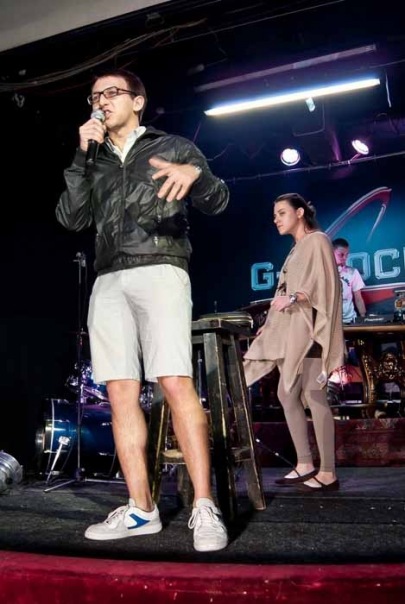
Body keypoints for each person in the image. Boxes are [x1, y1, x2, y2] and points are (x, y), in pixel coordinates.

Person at [56, 68, 229, 552]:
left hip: (161, 266)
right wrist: (81, 155)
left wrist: (197, 176)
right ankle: (140, 509)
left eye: (111, 92)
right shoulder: (93, 158)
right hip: (109, 276)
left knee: (174, 380)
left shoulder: (172, 146)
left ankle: (203, 505)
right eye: (95, 95)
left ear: (137, 101)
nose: (101, 101)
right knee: (119, 391)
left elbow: (219, 201)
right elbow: (71, 217)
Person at [244, 193, 345, 490]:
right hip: (293, 331)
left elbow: (325, 286)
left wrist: (294, 298)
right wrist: (270, 327)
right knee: (287, 394)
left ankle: (328, 473)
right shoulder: (296, 249)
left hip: (312, 330)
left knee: (314, 395)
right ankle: (305, 464)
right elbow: (285, 292)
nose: (276, 219)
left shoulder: (318, 241)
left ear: (300, 213)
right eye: (274, 214)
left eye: (282, 213)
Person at [332, 238, 366, 324]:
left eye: (346, 255)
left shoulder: (353, 272)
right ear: (331, 252)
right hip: (331, 322)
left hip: (350, 320)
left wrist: (363, 318)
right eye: (341, 255)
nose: (344, 258)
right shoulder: (323, 272)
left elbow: (358, 299)